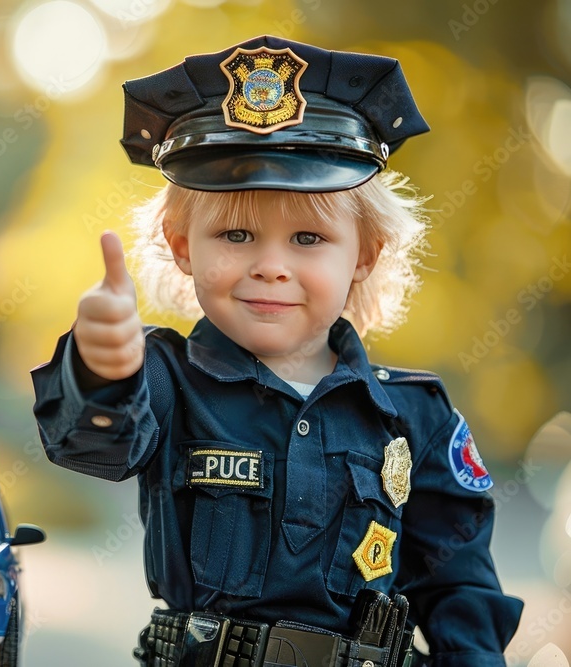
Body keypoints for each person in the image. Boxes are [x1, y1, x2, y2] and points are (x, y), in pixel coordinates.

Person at [30, 35, 523, 667]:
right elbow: (95, 441)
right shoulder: (164, 378)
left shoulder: (417, 416)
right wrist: (101, 366)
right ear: (183, 247)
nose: (270, 267)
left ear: (364, 256)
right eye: (235, 234)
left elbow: (457, 582)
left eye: (308, 238)